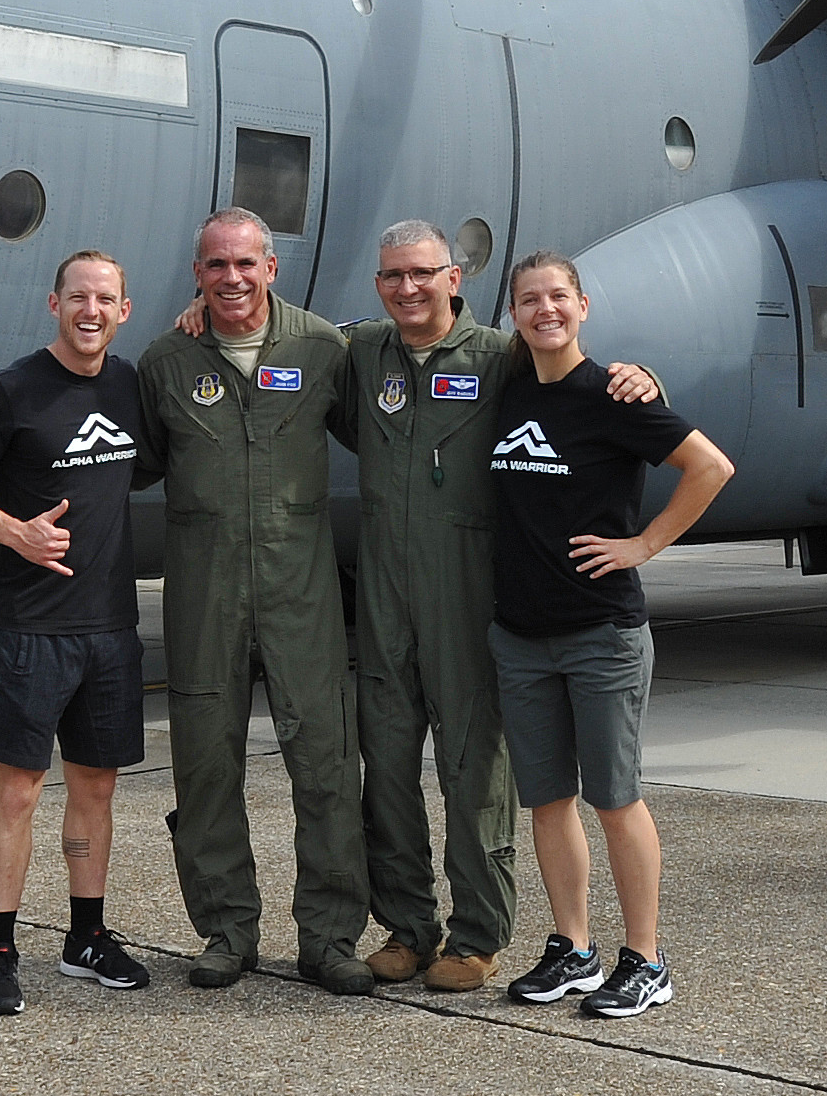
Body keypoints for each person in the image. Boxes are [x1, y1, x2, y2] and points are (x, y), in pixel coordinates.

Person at [337, 222, 658, 994]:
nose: (407, 289)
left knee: (474, 769)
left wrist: (643, 378)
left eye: (423, 274)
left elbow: (574, 374)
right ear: (379, 285)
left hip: (471, 594)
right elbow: (271, 342)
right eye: (392, 277)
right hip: (384, 594)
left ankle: (478, 934)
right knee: (384, 766)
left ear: (455, 278)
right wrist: (198, 317)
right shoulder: (358, 354)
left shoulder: (498, 357)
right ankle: (408, 928)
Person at [489, 248, 733, 1020]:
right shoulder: (506, 392)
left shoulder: (617, 395)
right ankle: (573, 951)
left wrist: (644, 546)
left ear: (583, 306)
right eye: (529, 299)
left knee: (615, 798)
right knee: (547, 799)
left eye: (557, 296)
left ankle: (646, 960)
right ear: (514, 314)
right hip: (521, 635)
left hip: (601, 632)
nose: (544, 310)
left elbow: (710, 468)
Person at [133, 209, 372, 994]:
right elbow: (133, 463)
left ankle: (331, 939)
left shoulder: (321, 348)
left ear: (272, 267)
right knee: (204, 766)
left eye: (245, 263)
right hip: (205, 593)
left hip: (301, 591)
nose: (231, 278)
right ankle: (226, 931)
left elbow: (384, 425)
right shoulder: (166, 360)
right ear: (196, 275)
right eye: (214, 266)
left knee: (327, 767)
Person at [0, 249, 157, 1016]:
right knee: (19, 794)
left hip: (110, 626)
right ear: (53, 303)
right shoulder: (9, 391)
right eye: (78, 297)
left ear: (124, 311)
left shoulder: (130, 385)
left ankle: (85, 938)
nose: (90, 311)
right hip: (32, 627)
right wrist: (13, 533)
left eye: (106, 299)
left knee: (95, 789)